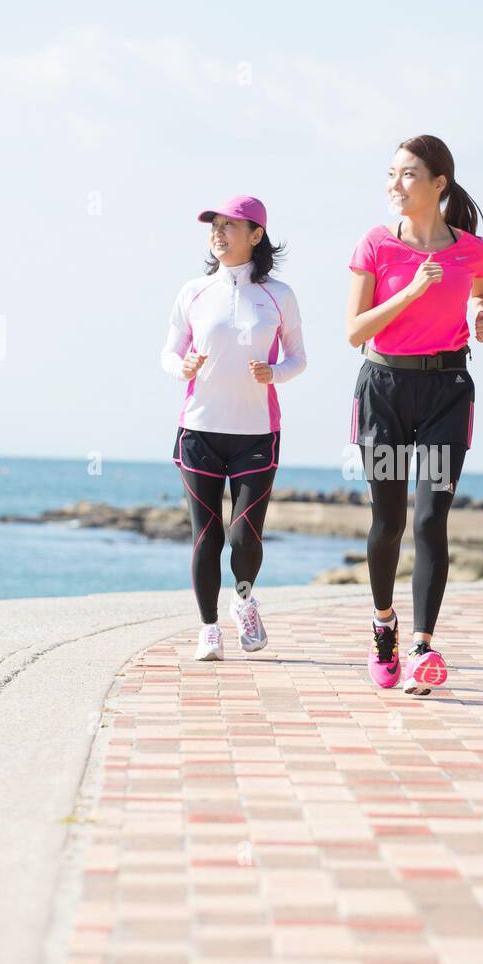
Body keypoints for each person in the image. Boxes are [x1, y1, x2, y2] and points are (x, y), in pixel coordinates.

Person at [346, 135, 483, 695]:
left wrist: (482, 316)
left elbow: (480, 293)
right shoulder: (377, 245)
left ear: (439, 184)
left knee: (431, 518)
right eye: (392, 174)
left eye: (408, 174)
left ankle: (423, 648)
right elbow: (354, 331)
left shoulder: (471, 250)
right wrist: (409, 294)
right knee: (389, 522)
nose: (395, 184)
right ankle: (384, 625)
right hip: (385, 387)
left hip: (445, 392)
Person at [161, 195, 306, 661]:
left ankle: (243, 600)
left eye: (230, 226)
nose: (218, 234)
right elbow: (168, 353)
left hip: (257, 434)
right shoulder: (194, 292)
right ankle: (208, 629)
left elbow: (298, 358)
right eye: (214, 227)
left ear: (256, 235)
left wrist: (275, 373)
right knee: (207, 534)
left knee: (245, 536)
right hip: (199, 430)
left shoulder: (278, 296)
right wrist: (181, 367)